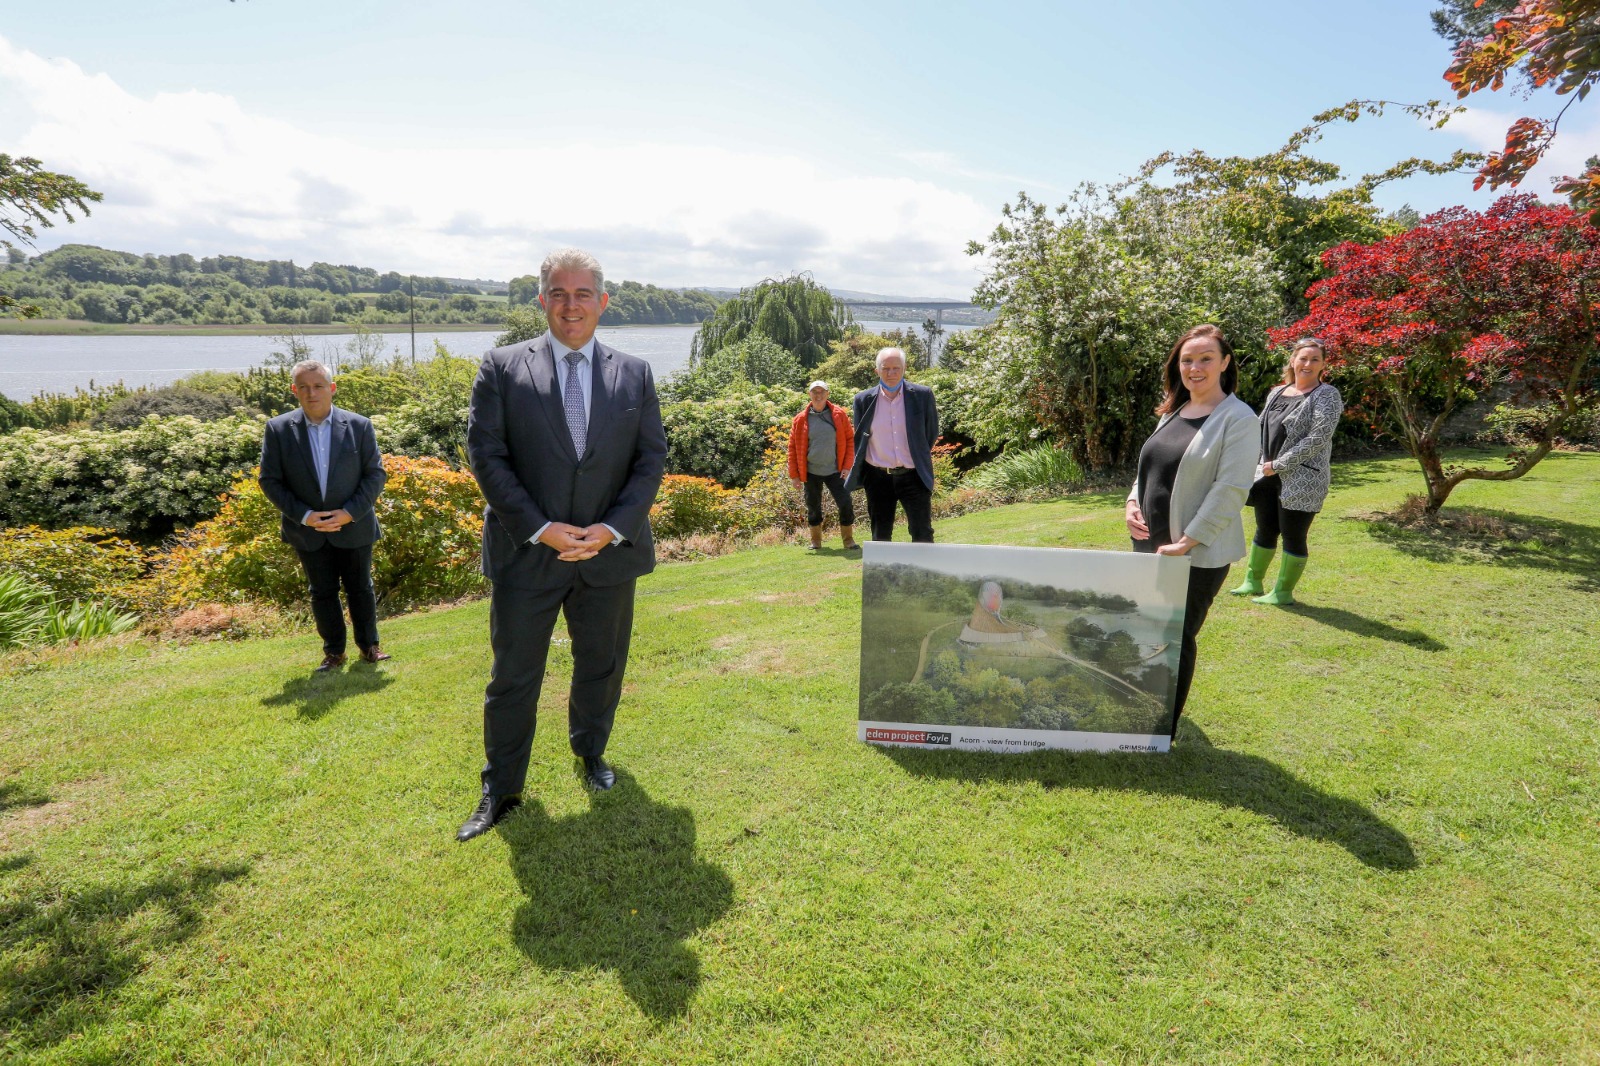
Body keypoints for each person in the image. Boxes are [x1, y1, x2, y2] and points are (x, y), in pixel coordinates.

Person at [456, 248, 667, 843]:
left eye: (582, 294)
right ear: (541, 298)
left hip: (609, 554)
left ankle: (590, 752)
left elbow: (650, 460)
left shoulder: (636, 372)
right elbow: (487, 457)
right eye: (557, 292)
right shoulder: (501, 367)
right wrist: (542, 527)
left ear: (602, 302)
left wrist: (611, 528)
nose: (569, 305)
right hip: (527, 552)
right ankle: (501, 788)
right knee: (513, 677)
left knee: (601, 667)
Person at [1125, 324, 1258, 740]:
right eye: (1187, 360)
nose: (1195, 367)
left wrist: (1189, 540)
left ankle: (1161, 729)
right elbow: (1149, 469)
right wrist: (1131, 502)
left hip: (1196, 552)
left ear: (1225, 363)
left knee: (1175, 636)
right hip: (1149, 543)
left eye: (1205, 359)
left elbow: (1231, 489)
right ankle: (1138, 703)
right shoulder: (1173, 411)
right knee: (1147, 626)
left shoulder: (1239, 418)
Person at [258, 359, 389, 672]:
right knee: (322, 592)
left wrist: (348, 513)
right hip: (307, 530)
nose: (311, 392)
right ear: (294, 390)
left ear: (331, 388)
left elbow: (375, 475)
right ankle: (334, 653)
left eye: (318, 386)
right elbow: (269, 480)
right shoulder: (278, 430)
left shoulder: (359, 426)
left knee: (361, 588)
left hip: (354, 525)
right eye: (303, 387)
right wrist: (305, 516)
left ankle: (370, 647)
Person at [1231, 338, 1345, 605]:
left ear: (1323, 365)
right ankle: (1253, 581)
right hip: (1267, 474)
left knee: (1293, 534)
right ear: (1293, 360)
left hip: (1303, 477)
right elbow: (1260, 429)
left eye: (1314, 359)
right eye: (1302, 358)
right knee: (1265, 528)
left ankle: (1282, 592)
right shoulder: (1278, 392)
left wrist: (1279, 465)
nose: (1307, 364)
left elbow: (1319, 437)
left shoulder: (1327, 395)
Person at [843, 347, 940, 543]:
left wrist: (915, 455)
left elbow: (930, 434)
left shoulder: (922, 396)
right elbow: (861, 437)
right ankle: (883, 575)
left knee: (922, 533)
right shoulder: (863, 400)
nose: (891, 373)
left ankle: (922, 574)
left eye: (896, 368)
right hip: (878, 478)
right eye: (885, 368)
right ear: (876, 370)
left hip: (914, 476)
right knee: (880, 536)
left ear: (904, 369)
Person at [787, 380, 858, 551]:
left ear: (827, 394)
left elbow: (850, 441)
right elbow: (792, 448)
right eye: (814, 392)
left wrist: (848, 467)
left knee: (845, 503)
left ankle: (848, 541)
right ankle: (816, 542)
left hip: (836, 471)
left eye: (822, 392)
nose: (818, 395)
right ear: (809, 394)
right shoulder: (800, 419)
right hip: (810, 472)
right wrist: (794, 475)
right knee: (813, 507)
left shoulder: (839, 415)